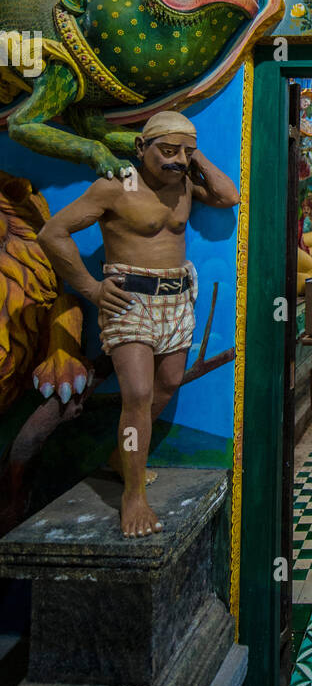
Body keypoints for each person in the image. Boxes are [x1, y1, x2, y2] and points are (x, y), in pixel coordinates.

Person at [38, 111, 239, 539]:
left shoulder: (184, 184)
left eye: (185, 152)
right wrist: (92, 289)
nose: (178, 160)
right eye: (167, 151)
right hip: (129, 298)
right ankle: (133, 495)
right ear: (141, 148)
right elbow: (53, 232)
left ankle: (120, 454)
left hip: (177, 297)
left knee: (167, 383)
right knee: (139, 393)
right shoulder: (116, 185)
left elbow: (228, 195)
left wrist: (189, 152)